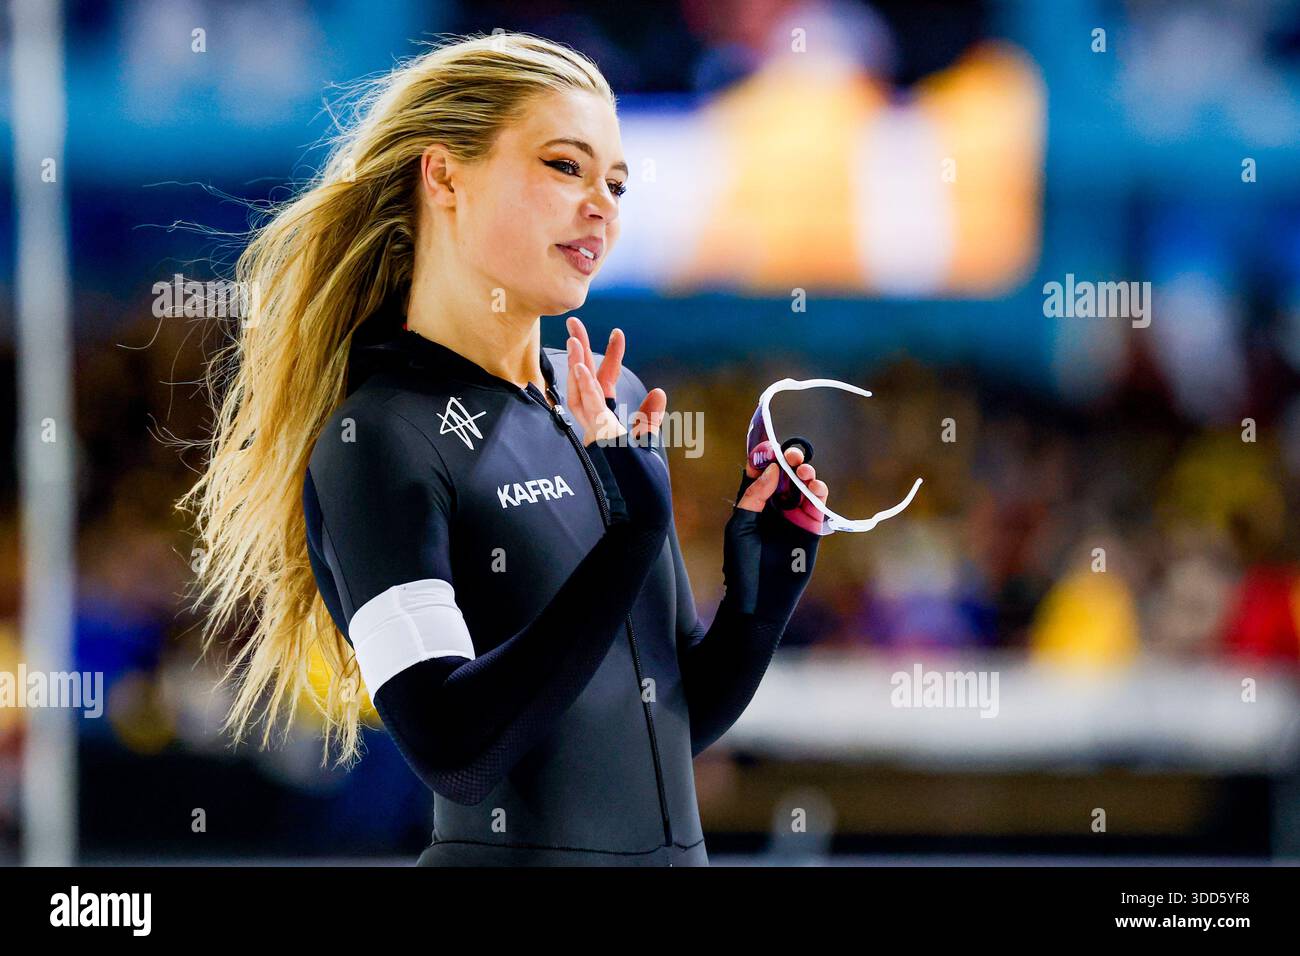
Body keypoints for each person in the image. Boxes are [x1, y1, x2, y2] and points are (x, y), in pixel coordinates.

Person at [180, 31, 829, 866]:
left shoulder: (611, 395)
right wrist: (629, 538)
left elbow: (656, 724)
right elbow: (453, 746)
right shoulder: (376, 439)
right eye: (566, 167)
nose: (602, 204)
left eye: (617, 183)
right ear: (444, 175)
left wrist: (759, 603)